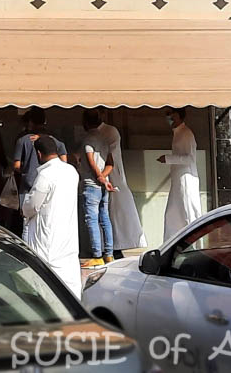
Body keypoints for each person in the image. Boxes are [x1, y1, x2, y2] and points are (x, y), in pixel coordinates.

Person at [22, 135, 81, 297]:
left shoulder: (45, 176)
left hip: (48, 242)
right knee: (69, 285)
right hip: (68, 239)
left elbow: (31, 206)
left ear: (39, 154)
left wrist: (24, 206)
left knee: (47, 286)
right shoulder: (71, 171)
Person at [93, 111, 146, 254]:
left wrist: (102, 176)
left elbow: (111, 158)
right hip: (105, 176)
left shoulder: (109, 132)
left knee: (110, 213)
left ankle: (113, 247)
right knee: (106, 214)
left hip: (112, 176)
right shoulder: (100, 133)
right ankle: (110, 247)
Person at [78, 109, 114, 269]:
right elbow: (111, 162)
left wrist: (99, 177)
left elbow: (91, 161)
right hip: (104, 185)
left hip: (92, 185)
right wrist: (104, 177)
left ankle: (97, 255)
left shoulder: (88, 140)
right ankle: (109, 254)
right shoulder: (104, 139)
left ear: (85, 122)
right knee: (105, 218)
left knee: (91, 219)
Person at [159, 107, 202, 241]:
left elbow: (190, 158)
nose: (168, 117)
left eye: (169, 114)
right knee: (173, 214)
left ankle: (193, 243)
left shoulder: (186, 134)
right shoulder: (178, 133)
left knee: (187, 212)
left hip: (186, 179)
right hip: (178, 179)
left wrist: (168, 159)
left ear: (177, 115)